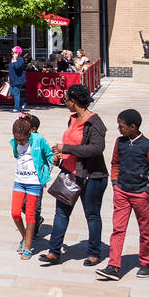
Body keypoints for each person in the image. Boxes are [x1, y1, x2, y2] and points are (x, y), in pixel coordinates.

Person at [38, 83, 108, 267]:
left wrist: (66, 148)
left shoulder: (94, 122)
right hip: (69, 174)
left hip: (92, 176)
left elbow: (96, 148)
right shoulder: (72, 119)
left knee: (92, 214)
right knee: (61, 213)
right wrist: (61, 157)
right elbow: (74, 148)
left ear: (74, 101)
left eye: (67, 100)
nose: (65, 103)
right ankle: (54, 252)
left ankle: (94, 253)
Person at [97, 109, 149, 280]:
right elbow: (115, 163)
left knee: (145, 230)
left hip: (140, 194)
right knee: (118, 229)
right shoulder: (120, 142)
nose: (119, 129)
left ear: (133, 127)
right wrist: (115, 183)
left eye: (122, 126)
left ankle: (146, 263)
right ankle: (113, 266)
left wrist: (147, 190)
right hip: (121, 192)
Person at [9, 116, 53, 259]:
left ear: (30, 134)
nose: (20, 142)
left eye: (22, 140)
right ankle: (25, 237)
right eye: (17, 140)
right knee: (15, 212)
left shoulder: (38, 140)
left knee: (30, 214)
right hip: (19, 181)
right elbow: (17, 155)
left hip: (34, 182)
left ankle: (28, 246)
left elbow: (49, 154)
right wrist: (17, 143)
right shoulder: (15, 143)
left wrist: (57, 161)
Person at [7, 46, 28, 114]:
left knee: (16, 93)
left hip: (18, 79)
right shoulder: (12, 59)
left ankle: (17, 108)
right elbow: (10, 68)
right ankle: (23, 102)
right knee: (12, 93)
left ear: (18, 53)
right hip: (12, 79)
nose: (12, 53)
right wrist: (8, 77)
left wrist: (15, 60)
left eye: (14, 52)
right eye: (12, 52)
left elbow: (17, 67)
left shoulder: (20, 59)